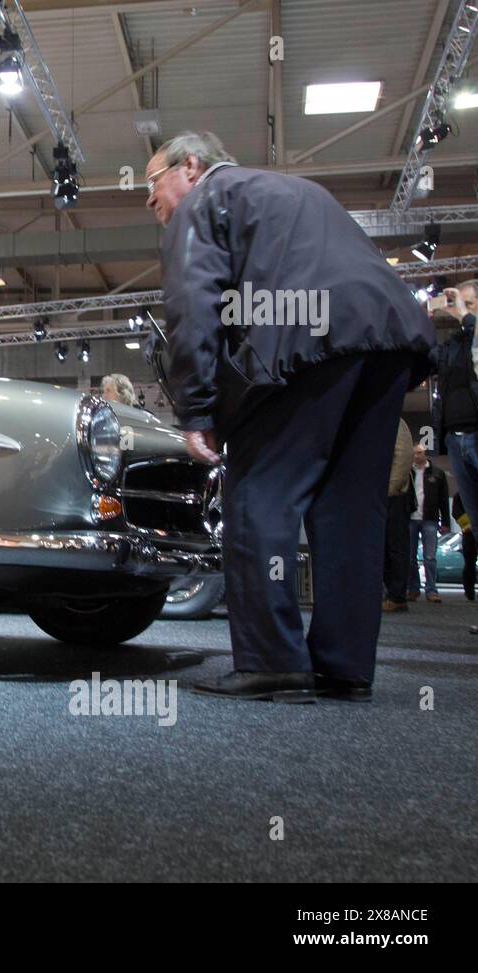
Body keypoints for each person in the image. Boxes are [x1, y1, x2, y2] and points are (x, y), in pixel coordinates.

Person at [147, 131, 435, 703]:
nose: (150, 200)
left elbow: (191, 305)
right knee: (350, 512)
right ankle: (344, 665)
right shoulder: (297, 190)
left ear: (191, 165)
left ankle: (272, 660)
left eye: (153, 183)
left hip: (306, 347)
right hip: (386, 344)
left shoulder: (205, 201)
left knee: (258, 498)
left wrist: (197, 410)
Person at [433, 279, 478, 576]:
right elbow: (427, 358)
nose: (460, 309)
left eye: (470, 303)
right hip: (456, 439)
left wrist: (466, 316)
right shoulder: (453, 345)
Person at [407, 443, 450, 603]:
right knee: (410, 557)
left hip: (430, 519)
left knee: (430, 557)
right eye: (414, 453)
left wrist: (445, 522)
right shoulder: (407, 473)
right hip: (410, 519)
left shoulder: (437, 473)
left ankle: (431, 590)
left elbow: (443, 500)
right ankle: (413, 589)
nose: (417, 456)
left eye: (420, 453)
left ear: (425, 454)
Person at [384, 419, 415, 613]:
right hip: (380, 496)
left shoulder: (394, 419)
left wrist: (390, 489)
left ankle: (397, 596)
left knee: (395, 547)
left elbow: (403, 454)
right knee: (384, 547)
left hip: (394, 495)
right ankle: (391, 593)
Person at [454, 492, 477, 600]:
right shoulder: (460, 494)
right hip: (469, 531)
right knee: (469, 562)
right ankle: (469, 591)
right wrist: (467, 524)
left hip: (469, 530)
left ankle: (469, 591)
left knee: (470, 562)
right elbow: (456, 512)